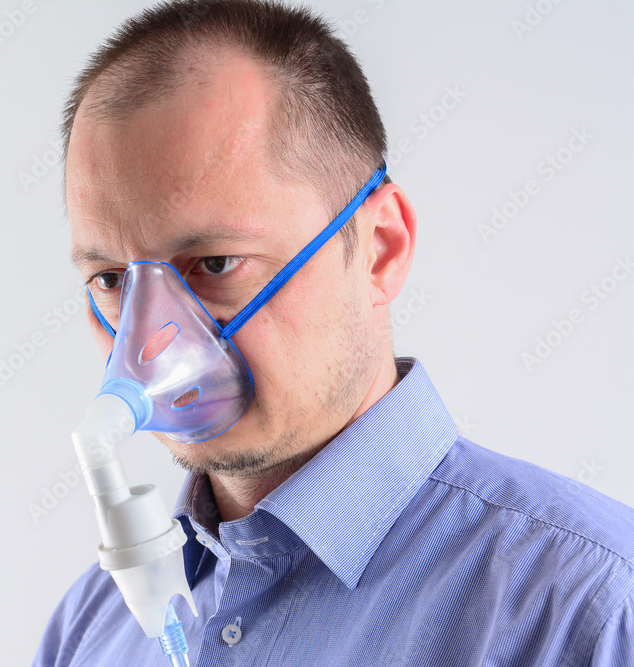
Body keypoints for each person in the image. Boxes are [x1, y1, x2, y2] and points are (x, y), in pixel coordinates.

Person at [33, 1, 634, 664]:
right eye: (112, 279)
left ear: (380, 247)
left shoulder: (587, 610)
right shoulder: (91, 629)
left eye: (216, 264)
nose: (151, 344)